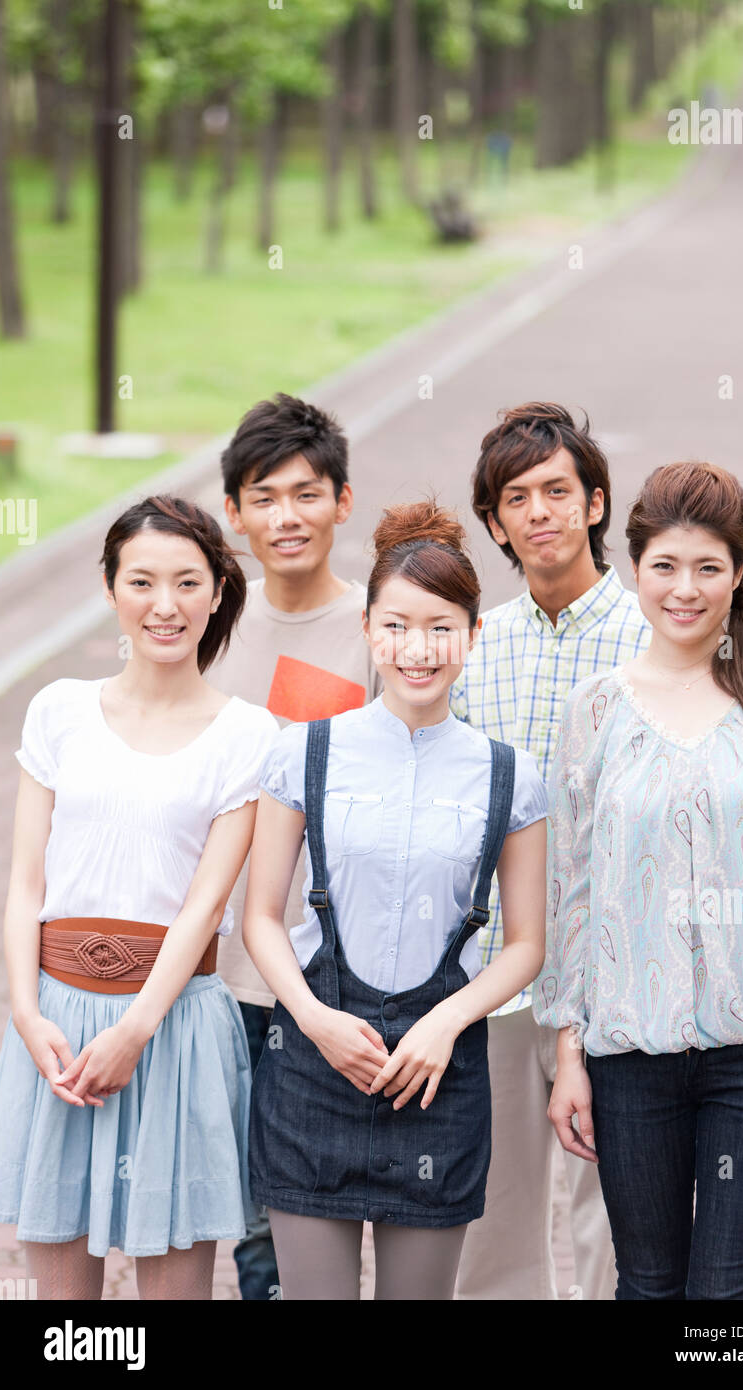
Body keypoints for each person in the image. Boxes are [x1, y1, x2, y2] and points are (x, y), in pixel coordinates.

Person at [535, 461, 743, 1300]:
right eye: (666, 567)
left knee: (726, 1292)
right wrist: (569, 1052)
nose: (686, 590)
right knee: (645, 1284)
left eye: (709, 567)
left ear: (740, 572)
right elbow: (573, 889)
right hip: (629, 1055)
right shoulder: (596, 711)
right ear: (634, 569)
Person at [243, 499, 548, 1300]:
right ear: (370, 631)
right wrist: (313, 1021)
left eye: (442, 627)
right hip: (314, 1064)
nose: (420, 650)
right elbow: (260, 919)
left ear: (474, 634)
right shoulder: (302, 753)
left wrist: (446, 1024)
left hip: (440, 1075)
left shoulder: (509, 776)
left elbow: (526, 945)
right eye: (399, 627)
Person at [0, 495, 279, 1300]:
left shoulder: (247, 734)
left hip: (175, 1024)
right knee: (67, 1322)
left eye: (188, 583)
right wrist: (26, 1013)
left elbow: (203, 906)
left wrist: (136, 1030)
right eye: (143, 582)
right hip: (58, 1024)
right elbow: (25, 887)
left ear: (218, 592)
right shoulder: (59, 712)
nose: (165, 605)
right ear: (113, 589)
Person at [450, 402, 650, 1301]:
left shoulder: (656, 638)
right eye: (516, 499)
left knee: (615, 1213)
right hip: (491, 974)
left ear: (595, 502)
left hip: (615, 978)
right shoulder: (474, 646)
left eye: (558, 492)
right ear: (494, 523)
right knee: (492, 1223)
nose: (540, 513)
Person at [211, 391, 381, 1300]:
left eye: (307, 494)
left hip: (339, 978)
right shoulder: (201, 626)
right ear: (234, 514)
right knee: (252, 1237)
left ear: (342, 503)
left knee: (340, 1213)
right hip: (224, 979)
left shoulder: (378, 633)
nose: (287, 517)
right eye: (264, 497)